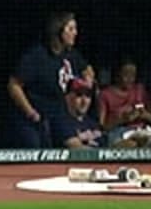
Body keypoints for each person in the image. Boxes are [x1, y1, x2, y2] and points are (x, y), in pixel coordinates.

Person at [6, 11, 90, 148]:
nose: (75, 33)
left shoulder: (71, 55)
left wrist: (86, 82)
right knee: (36, 152)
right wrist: (30, 112)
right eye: (71, 29)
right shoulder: (36, 56)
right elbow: (14, 85)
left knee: (75, 147)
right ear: (58, 31)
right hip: (34, 116)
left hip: (58, 113)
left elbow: (87, 70)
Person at [98, 57, 151, 146]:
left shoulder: (140, 90)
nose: (130, 79)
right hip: (118, 132)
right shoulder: (105, 94)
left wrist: (144, 114)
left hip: (141, 131)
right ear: (117, 75)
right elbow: (102, 127)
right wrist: (123, 119)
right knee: (130, 145)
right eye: (126, 74)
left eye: (133, 75)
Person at [51, 77, 104, 148]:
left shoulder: (93, 124)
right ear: (67, 98)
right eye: (79, 95)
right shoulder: (60, 122)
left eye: (88, 96)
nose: (84, 101)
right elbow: (77, 149)